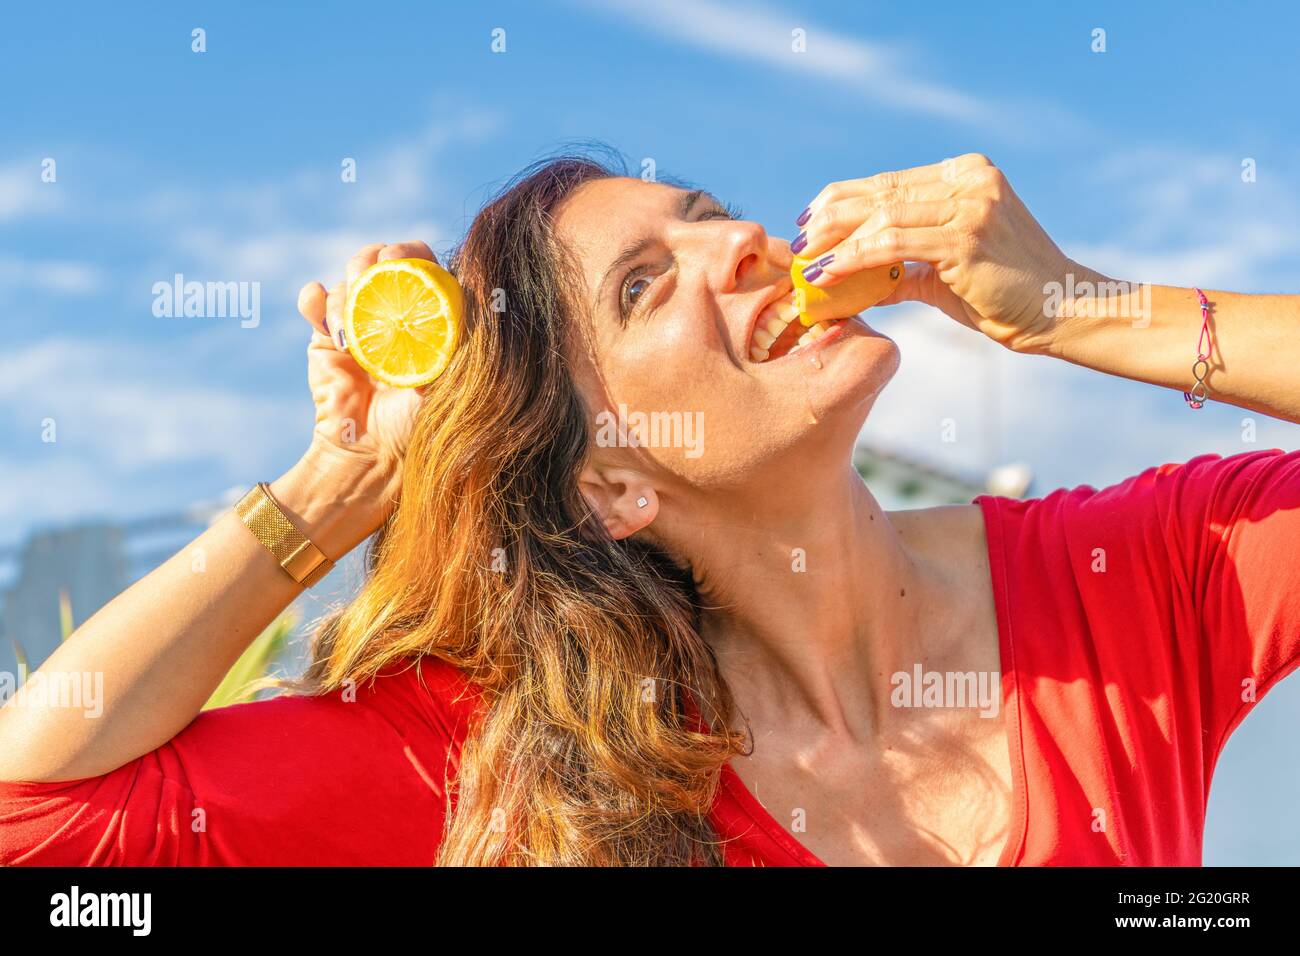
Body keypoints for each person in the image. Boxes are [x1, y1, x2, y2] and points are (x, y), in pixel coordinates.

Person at [2, 152, 1298, 866]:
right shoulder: (531, 760)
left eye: (711, 217)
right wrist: (348, 482)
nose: (740, 243)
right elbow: (34, 819)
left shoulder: (1125, 584)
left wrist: (1078, 307)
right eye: (640, 285)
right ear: (612, 482)